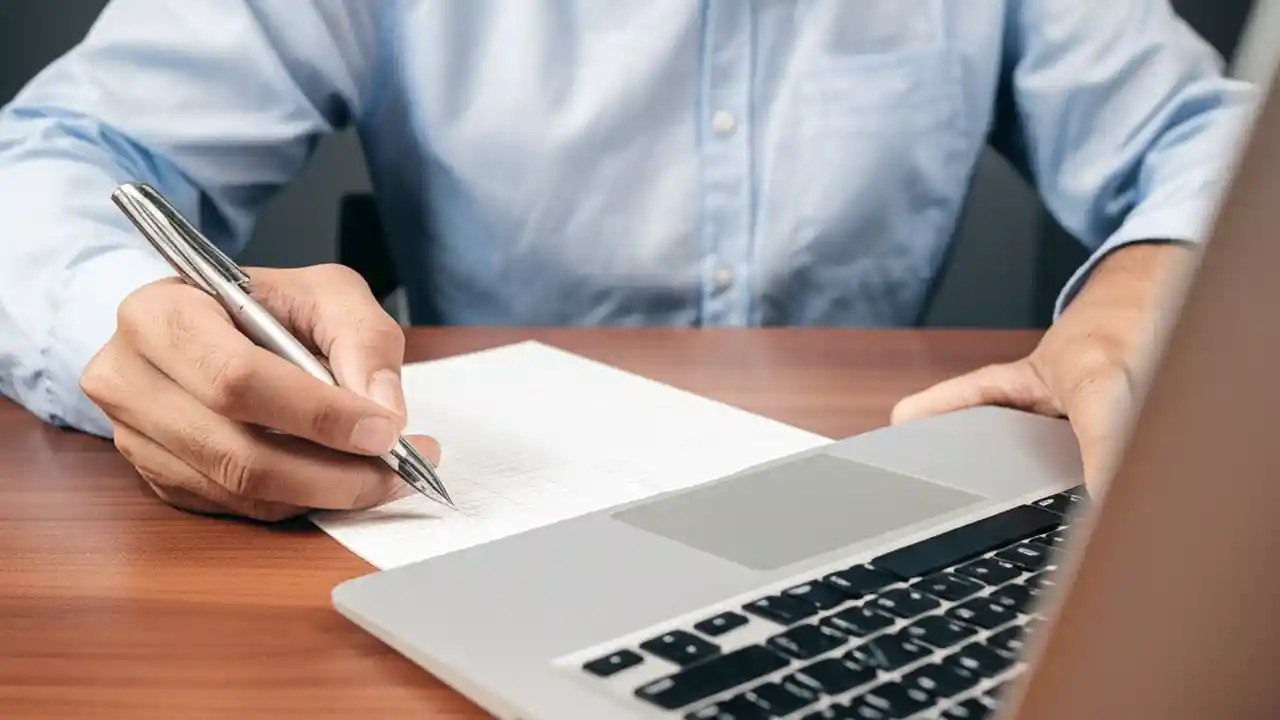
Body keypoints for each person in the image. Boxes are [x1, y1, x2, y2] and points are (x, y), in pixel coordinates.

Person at [0, 1, 1255, 521]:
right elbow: (56, 155)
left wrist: (1153, 272)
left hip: (856, 501)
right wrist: (124, 310)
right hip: (474, 514)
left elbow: (1210, 137)